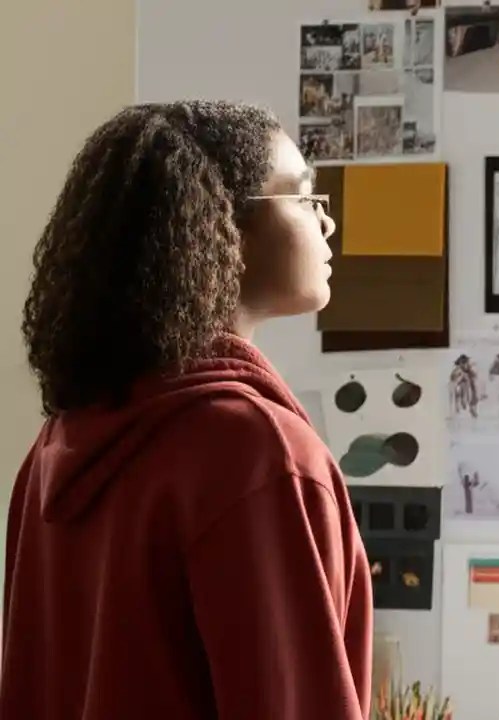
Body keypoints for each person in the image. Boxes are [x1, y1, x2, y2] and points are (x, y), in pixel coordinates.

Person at [2, 101, 373, 718]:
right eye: (304, 197)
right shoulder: (255, 450)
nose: (326, 224)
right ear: (222, 226)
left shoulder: (58, 442)